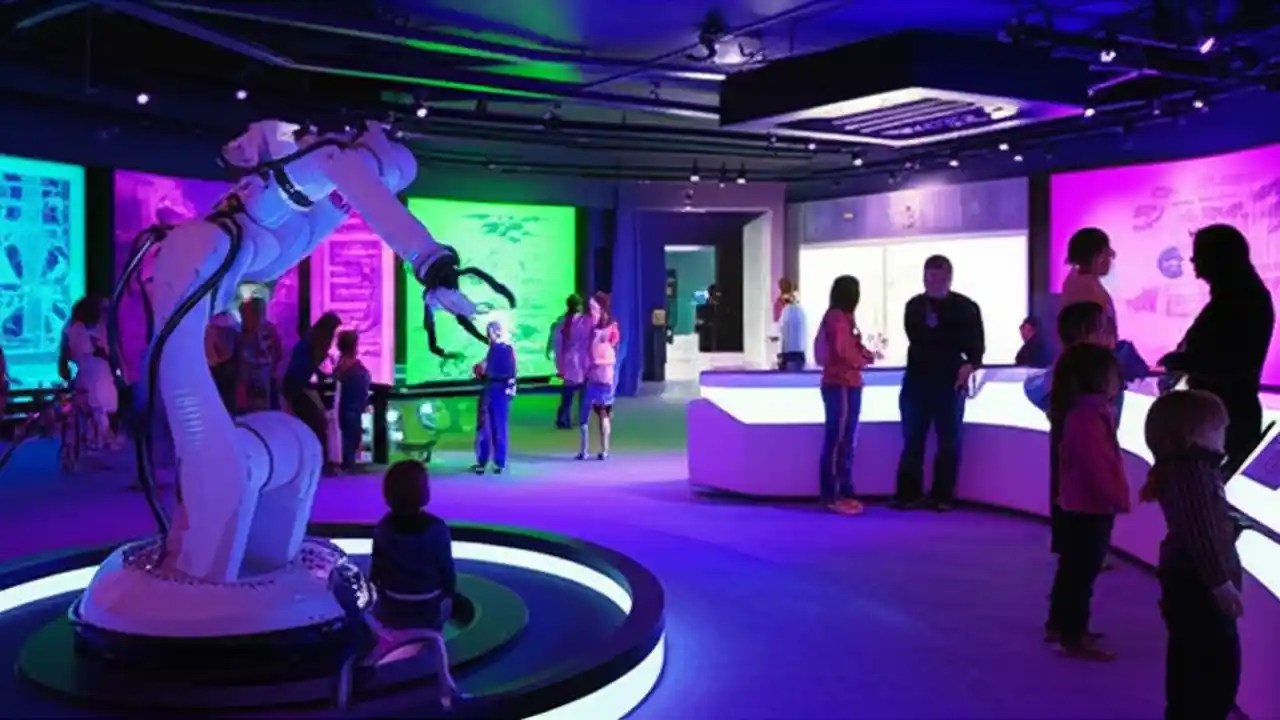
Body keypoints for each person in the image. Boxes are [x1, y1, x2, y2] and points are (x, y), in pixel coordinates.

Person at [1141, 390, 1243, 720]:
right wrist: (1220, 584)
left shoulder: (1186, 469)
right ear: (1193, 433)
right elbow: (1199, 532)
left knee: (1188, 656)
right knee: (1215, 667)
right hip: (1197, 583)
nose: (1225, 433)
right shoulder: (1193, 471)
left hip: (1185, 578)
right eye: (1218, 428)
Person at [1160, 224, 1275, 475]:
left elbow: (1232, 365)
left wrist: (1182, 362)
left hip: (1227, 425)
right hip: (1222, 422)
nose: (1194, 265)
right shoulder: (1238, 298)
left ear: (1218, 259)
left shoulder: (1242, 301)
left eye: (1199, 256)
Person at [1046, 343, 1130, 661]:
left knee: (1071, 569)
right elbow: (1097, 465)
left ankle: (1059, 624)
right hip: (1090, 506)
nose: (1118, 382)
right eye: (1113, 375)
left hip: (1077, 503)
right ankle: (1074, 635)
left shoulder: (1080, 412)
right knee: (1082, 574)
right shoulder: (1089, 416)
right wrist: (1117, 496)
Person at [893, 255, 984, 511]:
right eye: (929, 276)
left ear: (949, 277)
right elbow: (918, 339)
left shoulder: (966, 308)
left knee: (949, 441)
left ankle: (942, 496)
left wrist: (969, 365)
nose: (932, 281)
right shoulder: (914, 307)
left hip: (949, 384)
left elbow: (976, 348)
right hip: (917, 382)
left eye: (938, 276)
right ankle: (908, 493)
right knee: (913, 440)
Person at [370, 460, 456, 633]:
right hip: (429, 605)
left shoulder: (382, 529)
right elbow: (447, 572)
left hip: (393, 603)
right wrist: (450, 595)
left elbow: (376, 572)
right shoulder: (438, 528)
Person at [814, 275, 875, 515]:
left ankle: (843, 490)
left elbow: (850, 348)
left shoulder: (845, 318)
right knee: (838, 438)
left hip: (848, 384)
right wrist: (861, 360)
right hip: (840, 384)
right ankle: (833, 493)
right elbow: (842, 351)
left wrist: (866, 355)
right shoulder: (837, 318)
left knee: (846, 439)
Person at [282, 312, 342, 472]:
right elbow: (303, 368)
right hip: (296, 387)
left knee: (316, 423)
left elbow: (310, 367)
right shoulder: (312, 344)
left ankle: (317, 463)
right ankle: (320, 464)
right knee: (316, 424)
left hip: (297, 386)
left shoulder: (311, 342)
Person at [60, 296, 119, 449]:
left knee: (96, 406)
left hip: (87, 373)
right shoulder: (97, 329)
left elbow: (64, 355)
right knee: (99, 404)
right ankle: (102, 438)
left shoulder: (71, 328)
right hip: (97, 372)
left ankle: (96, 438)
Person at [471, 320, 517, 475]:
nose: (490, 335)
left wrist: (509, 391)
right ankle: (484, 461)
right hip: (489, 391)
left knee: (498, 428)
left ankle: (498, 462)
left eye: (492, 331)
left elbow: (511, 373)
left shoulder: (505, 349)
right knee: (485, 428)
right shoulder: (492, 350)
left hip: (499, 392)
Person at [579, 292, 620, 460]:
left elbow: (588, 349)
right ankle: (604, 451)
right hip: (607, 373)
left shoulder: (591, 327)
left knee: (586, 412)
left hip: (595, 372)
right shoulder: (613, 326)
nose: (591, 311)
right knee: (603, 412)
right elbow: (614, 346)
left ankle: (585, 451)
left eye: (593, 308)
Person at [1060, 227, 1118, 338]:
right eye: (1107, 253)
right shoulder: (1086, 288)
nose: (1111, 257)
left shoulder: (1076, 282)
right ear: (1098, 257)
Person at [236, 296, 283, 413]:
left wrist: (272, 370)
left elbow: (278, 352)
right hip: (248, 383)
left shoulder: (269, 330)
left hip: (265, 378)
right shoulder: (240, 335)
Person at [334, 330, 371, 473]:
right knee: (350, 434)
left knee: (350, 434)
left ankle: (347, 461)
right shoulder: (349, 366)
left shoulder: (342, 364)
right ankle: (347, 462)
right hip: (351, 407)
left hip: (350, 406)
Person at [549, 294, 586, 429]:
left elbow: (556, 342)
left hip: (567, 360)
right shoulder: (579, 323)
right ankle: (572, 418)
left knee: (568, 392)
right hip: (577, 361)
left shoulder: (562, 321)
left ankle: (564, 417)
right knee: (575, 391)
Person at [777, 288, 808, 371]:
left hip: (790, 352)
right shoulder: (801, 312)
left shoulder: (786, 311)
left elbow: (781, 330)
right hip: (798, 352)